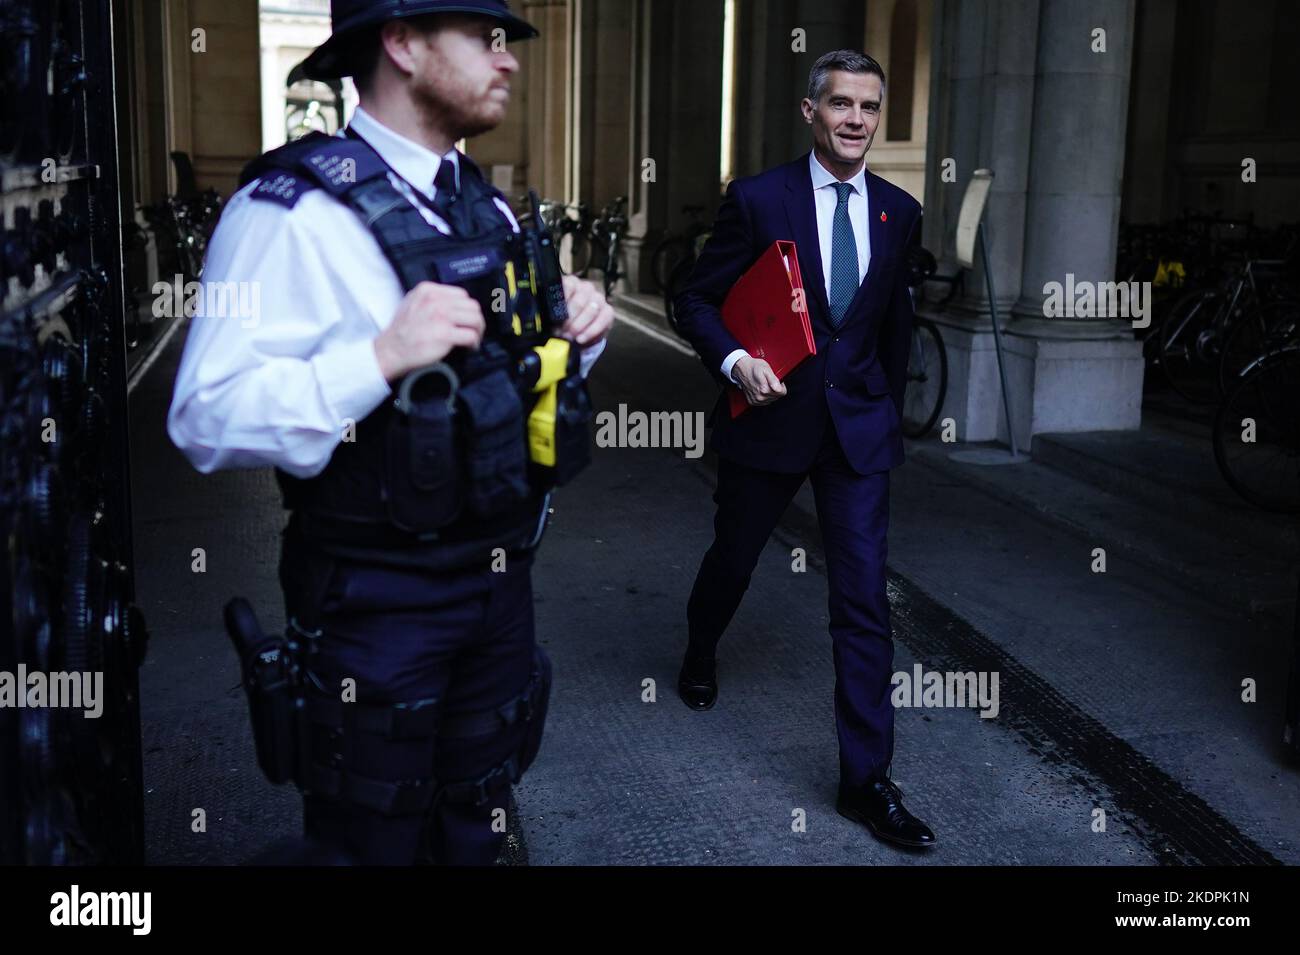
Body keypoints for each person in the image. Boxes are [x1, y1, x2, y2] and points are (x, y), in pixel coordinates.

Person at [167, 0, 613, 865]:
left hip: (497, 586)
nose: (509, 59)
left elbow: (512, 380)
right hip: (375, 605)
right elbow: (203, 414)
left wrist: (579, 337)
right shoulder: (286, 208)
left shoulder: (485, 207)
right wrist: (374, 361)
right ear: (402, 43)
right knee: (375, 834)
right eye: (482, 39)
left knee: (479, 818)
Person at [672, 49, 935, 849]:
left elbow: (892, 330)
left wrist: (884, 417)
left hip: (856, 437)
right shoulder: (758, 199)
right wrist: (732, 360)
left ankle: (866, 780)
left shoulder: (898, 210)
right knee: (735, 557)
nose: (857, 118)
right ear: (810, 111)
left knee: (862, 605)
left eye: (870, 106)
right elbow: (694, 295)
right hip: (771, 418)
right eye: (842, 104)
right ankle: (701, 646)